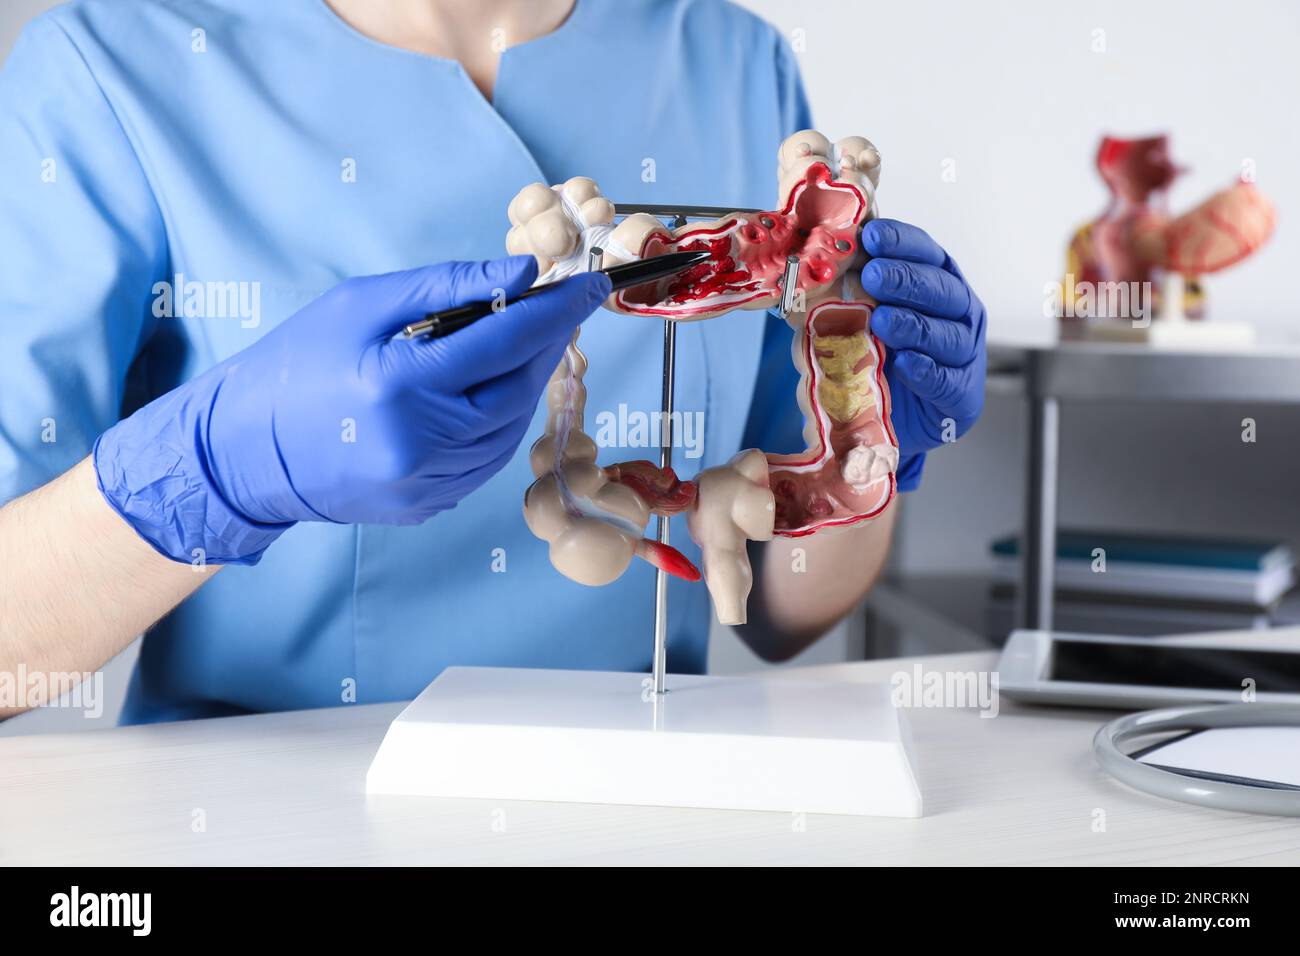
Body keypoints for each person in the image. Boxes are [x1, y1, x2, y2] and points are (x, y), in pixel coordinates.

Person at [0, 0, 987, 723]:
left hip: (649, 808)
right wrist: (214, 471)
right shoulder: (111, 63)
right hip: (262, 825)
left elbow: (778, 605)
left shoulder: (732, 58)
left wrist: (869, 444)